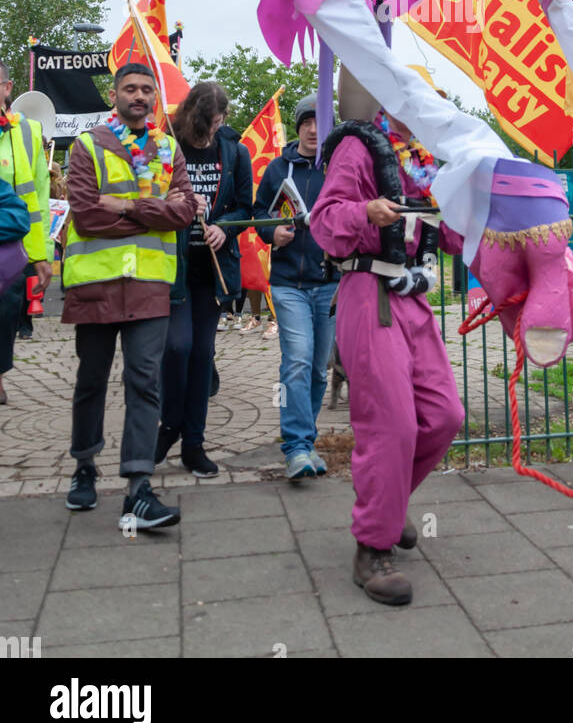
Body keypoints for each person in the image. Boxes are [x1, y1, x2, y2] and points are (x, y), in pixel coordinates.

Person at [310, 105, 465, 607]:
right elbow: (325, 221)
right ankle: (371, 549)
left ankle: (387, 504)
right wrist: (365, 211)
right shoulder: (358, 147)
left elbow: (456, 230)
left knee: (444, 416)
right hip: (369, 292)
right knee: (391, 425)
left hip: (414, 296)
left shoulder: (427, 159)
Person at [62, 63, 197, 528]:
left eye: (146, 90)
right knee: (91, 380)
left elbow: (185, 212)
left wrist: (124, 204)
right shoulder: (87, 145)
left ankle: (138, 488)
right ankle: (84, 466)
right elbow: (85, 215)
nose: (139, 96)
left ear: (154, 98)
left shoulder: (167, 148)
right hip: (95, 285)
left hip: (149, 286)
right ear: (115, 93)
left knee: (145, 381)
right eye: (130, 88)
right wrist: (153, 212)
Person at [156, 82, 253, 476]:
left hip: (211, 272)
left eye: (216, 126)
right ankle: (169, 424)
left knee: (201, 355)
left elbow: (245, 207)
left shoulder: (235, 151)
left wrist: (225, 228)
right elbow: (147, 200)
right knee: (176, 347)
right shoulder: (165, 147)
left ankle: (193, 443)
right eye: (203, 129)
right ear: (189, 118)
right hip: (171, 268)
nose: (209, 136)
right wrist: (177, 203)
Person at [253, 93, 336, 479]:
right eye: (307, 121)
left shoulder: (338, 169)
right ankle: (296, 447)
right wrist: (273, 234)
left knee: (319, 370)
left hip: (330, 283)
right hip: (288, 283)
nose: (313, 129)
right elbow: (259, 213)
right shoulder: (276, 169)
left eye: (320, 123)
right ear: (299, 125)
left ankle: (307, 440)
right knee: (298, 361)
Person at [0, 60, 51, 404]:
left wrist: (41, 254)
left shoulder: (30, 131)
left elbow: (39, 200)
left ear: (7, 87)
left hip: (9, 246)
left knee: (6, 313)